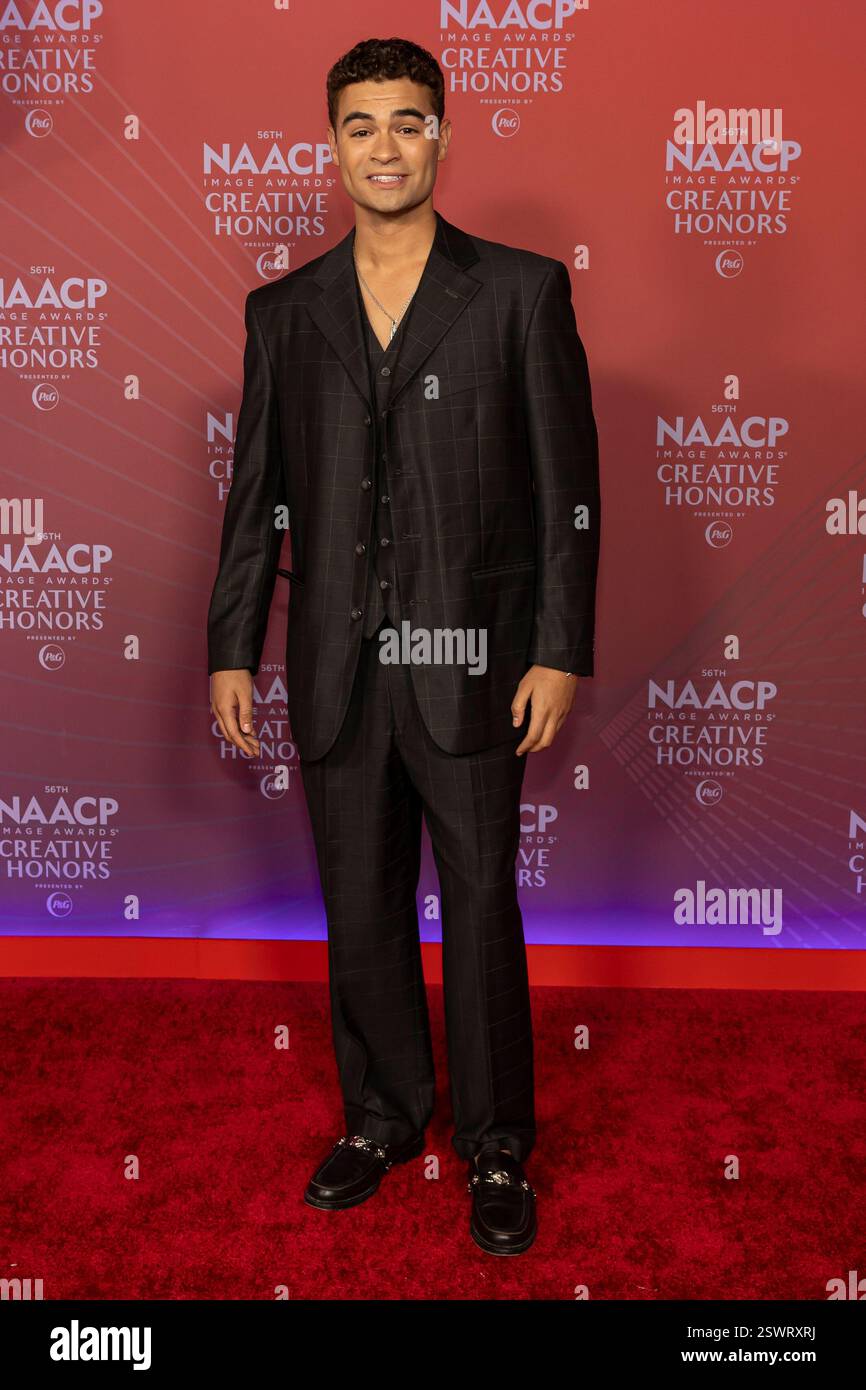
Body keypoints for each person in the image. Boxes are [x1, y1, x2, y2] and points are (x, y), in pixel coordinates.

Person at [207, 36, 600, 1256]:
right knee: (359, 905)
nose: (385, 145)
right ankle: (381, 1114)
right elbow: (254, 492)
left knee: (480, 904)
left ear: (444, 135)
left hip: (477, 659)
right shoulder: (282, 312)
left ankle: (493, 1143)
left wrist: (558, 649)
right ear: (332, 145)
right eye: (361, 125)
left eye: (408, 122)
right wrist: (233, 649)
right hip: (333, 664)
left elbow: (566, 490)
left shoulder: (522, 293)